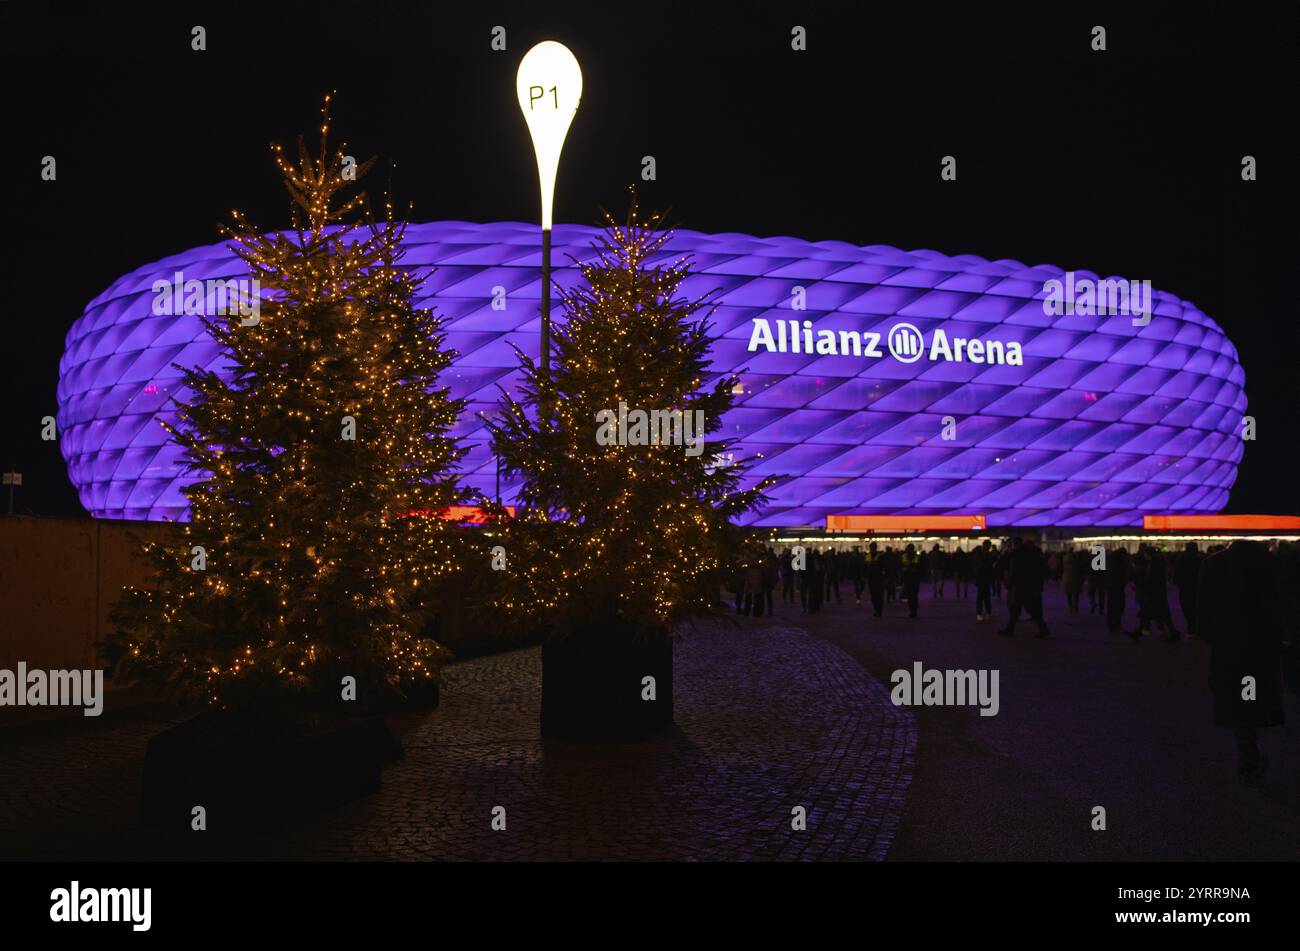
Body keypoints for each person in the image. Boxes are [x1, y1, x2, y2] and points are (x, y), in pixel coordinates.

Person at [1198, 540, 1283, 784]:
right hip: (1261, 646)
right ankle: (1250, 750)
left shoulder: (1214, 564)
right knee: (1253, 696)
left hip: (1229, 647)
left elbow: (1203, 610)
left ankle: (1249, 753)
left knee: (1238, 697)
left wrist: (1212, 637)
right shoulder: (1270, 563)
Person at [1001, 537, 1050, 638]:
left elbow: (1014, 571)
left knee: (1022, 608)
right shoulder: (1029, 554)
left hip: (1020, 586)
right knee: (1024, 608)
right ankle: (1010, 629)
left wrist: (1010, 583)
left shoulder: (1016, 555)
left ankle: (1043, 629)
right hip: (1028, 585)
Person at [1173, 541, 1201, 637]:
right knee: (1196, 608)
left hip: (1185, 587)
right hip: (1197, 587)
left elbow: (1177, 573)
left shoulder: (1182, 559)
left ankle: (1191, 628)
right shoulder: (1200, 559)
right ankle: (1196, 628)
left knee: (1187, 608)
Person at [1105, 546, 1130, 632]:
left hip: (1111, 586)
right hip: (1118, 586)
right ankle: (1117, 623)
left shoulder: (1111, 561)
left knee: (1111, 605)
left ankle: (1111, 623)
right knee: (1118, 605)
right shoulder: (1122, 563)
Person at [973, 539, 994, 621]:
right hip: (983, 578)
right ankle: (984, 613)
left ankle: (982, 613)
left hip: (982, 578)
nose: (989, 548)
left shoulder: (979, 554)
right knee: (984, 597)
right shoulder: (984, 555)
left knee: (983, 597)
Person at [901, 543, 923, 618]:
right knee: (911, 596)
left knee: (913, 596)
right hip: (909, 579)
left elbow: (919, 567)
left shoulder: (915, 557)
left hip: (913, 579)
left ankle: (913, 611)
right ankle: (912, 611)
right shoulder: (906, 556)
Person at [866, 541, 886, 617]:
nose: (871, 549)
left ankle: (879, 611)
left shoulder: (880, 556)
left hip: (878, 579)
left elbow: (883, 567)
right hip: (871, 579)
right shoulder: (868, 556)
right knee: (873, 596)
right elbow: (865, 567)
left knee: (879, 596)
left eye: (873, 547)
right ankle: (876, 609)